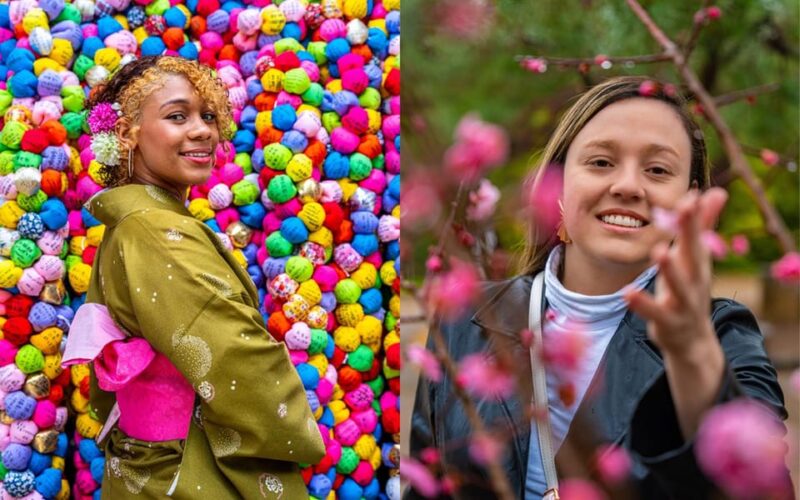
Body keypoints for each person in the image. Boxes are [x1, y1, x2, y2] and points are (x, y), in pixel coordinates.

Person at [408, 76, 790, 499]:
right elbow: (427, 482)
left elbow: (765, 487)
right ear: (557, 185)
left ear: (690, 200)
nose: (627, 186)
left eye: (658, 170)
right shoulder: (467, 318)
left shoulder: (721, 335)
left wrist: (692, 354)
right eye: (601, 162)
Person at [62, 56, 325, 498]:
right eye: (177, 116)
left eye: (208, 116)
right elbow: (234, 355)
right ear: (126, 133)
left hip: (151, 466)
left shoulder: (135, 223)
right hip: (185, 471)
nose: (203, 130)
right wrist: (293, 425)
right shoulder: (154, 230)